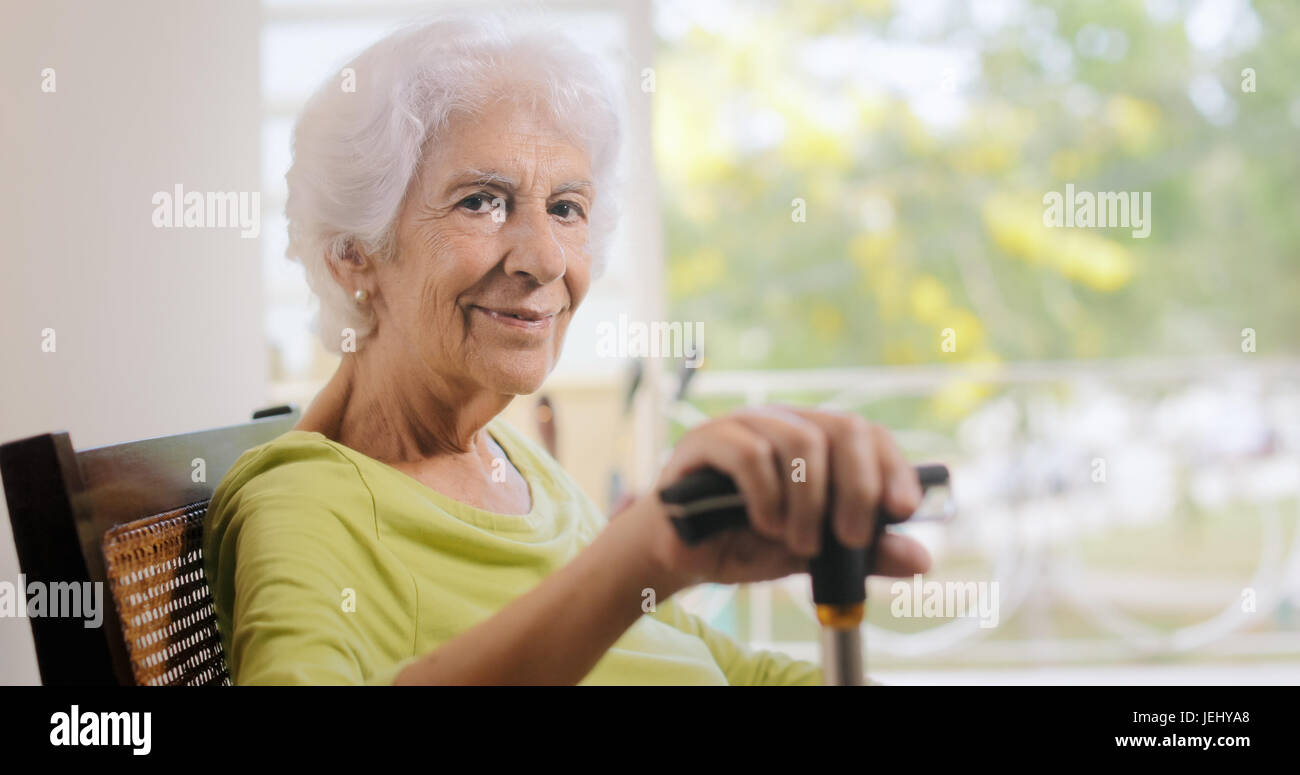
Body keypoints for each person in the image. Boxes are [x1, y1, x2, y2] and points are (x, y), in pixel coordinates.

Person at [204, 10, 931, 686]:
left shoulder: (518, 466)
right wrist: (636, 556)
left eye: (565, 208)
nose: (545, 259)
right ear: (354, 254)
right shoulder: (305, 500)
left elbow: (717, 666)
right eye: (480, 200)